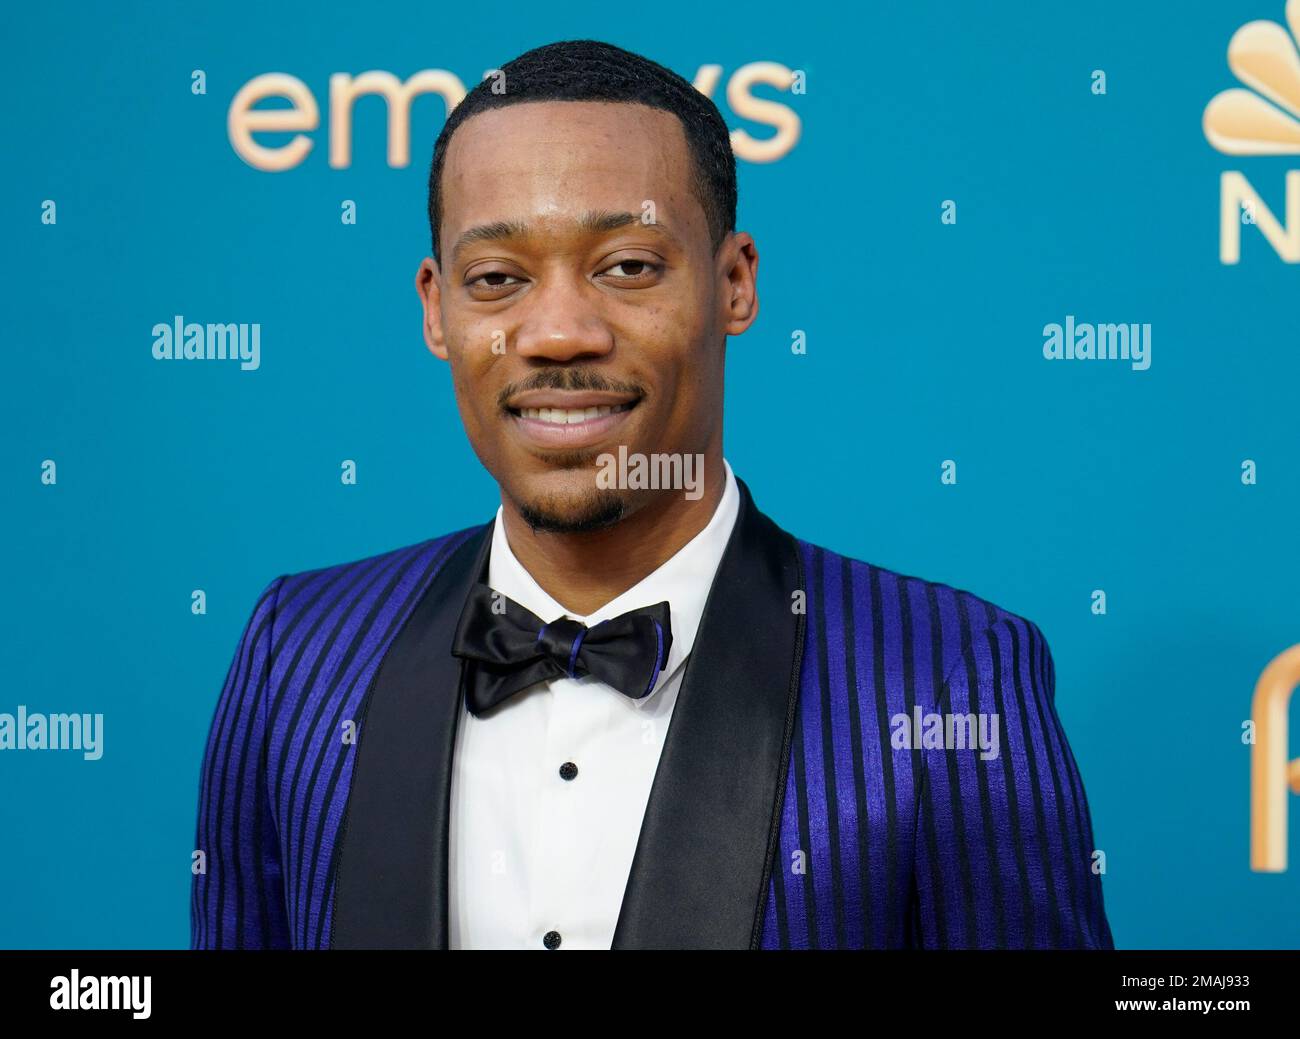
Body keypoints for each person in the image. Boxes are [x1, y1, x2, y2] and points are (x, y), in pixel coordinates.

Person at [191, 38, 1113, 950]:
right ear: (436, 309)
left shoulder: (945, 673)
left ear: (734, 282)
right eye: (497, 279)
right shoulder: (297, 655)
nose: (556, 333)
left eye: (627, 266)